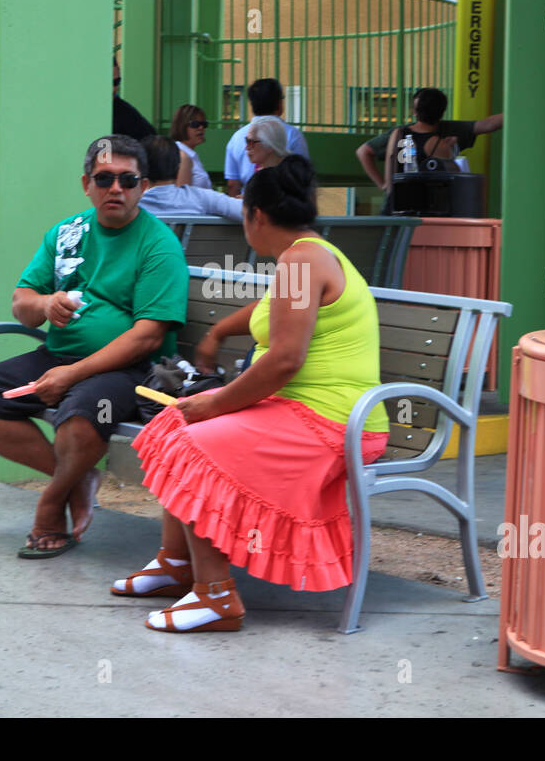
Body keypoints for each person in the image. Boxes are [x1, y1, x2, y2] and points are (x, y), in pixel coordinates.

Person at [117, 155, 392, 633]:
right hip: (304, 411)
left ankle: (217, 596)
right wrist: (217, 332)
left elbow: (285, 359)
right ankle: (176, 564)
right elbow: (272, 312)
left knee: (192, 439)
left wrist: (216, 403)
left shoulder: (303, 262)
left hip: (332, 422)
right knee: (176, 423)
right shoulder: (306, 254)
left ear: (255, 215)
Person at [0, 135, 189, 557]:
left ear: (144, 186)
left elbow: (148, 336)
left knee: (79, 415)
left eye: (128, 179)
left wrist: (73, 375)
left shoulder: (158, 243)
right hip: (57, 355)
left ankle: (50, 503)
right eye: (104, 178)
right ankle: (76, 479)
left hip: (129, 370)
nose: (116, 188)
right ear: (87, 184)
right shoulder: (66, 233)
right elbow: (22, 304)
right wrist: (44, 302)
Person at [354, 87, 504, 196]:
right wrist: (452, 151)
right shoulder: (441, 142)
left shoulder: (397, 134)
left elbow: (363, 152)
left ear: (415, 111)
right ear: (442, 112)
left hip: (395, 206)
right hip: (427, 207)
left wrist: (384, 185)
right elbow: (457, 179)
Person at [223, 78, 310, 196]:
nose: (249, 148)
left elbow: (233, 184)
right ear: (279, 103)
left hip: (248, 205)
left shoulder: (236, 137)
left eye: (252, 143)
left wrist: (237, 209)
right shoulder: (293, 135)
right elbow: (303, 178)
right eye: (248, 142)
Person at [137, 136, 244, 221]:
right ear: (178, 166)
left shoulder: (132, 202)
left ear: (141, 168)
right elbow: (246, 213)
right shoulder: (201, 198)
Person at [169, 104, 214, 188]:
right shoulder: (180, 155)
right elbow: (182, 196)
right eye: (195, 124)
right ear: (182, 125)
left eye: (204, 124)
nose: (201, 128)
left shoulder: (190, 154)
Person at [112, 57, 156, 141]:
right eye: (108, 82)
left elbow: (152, 142)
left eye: (116, 82)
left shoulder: (126, 113)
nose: (113, 88)